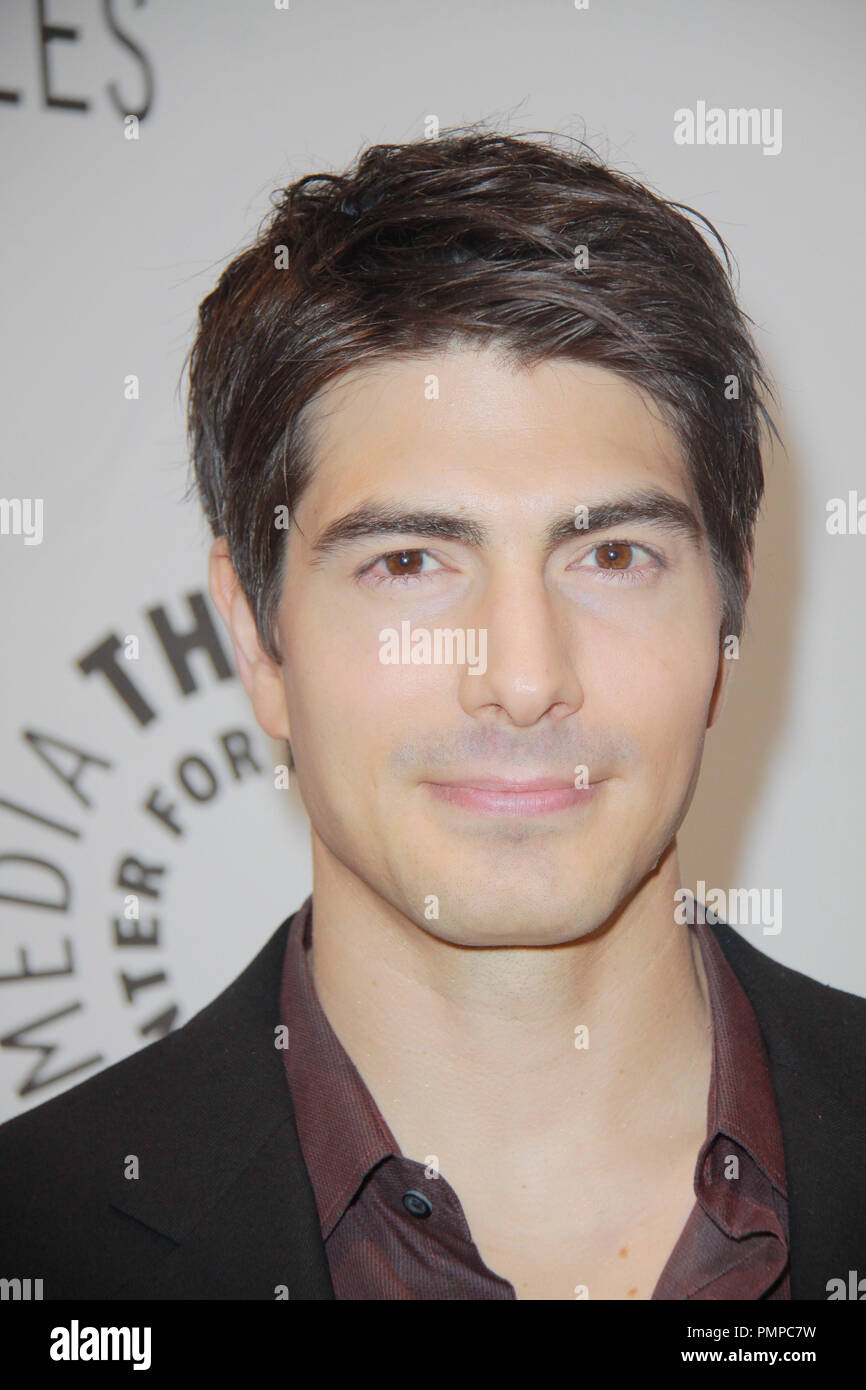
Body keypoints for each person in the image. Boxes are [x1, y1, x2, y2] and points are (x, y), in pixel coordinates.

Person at [1, 129, 863, 1301]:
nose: (518, 677)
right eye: (409, 562)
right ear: (255, 637)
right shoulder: (36, 1239)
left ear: (726, 613)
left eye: (610, 554)